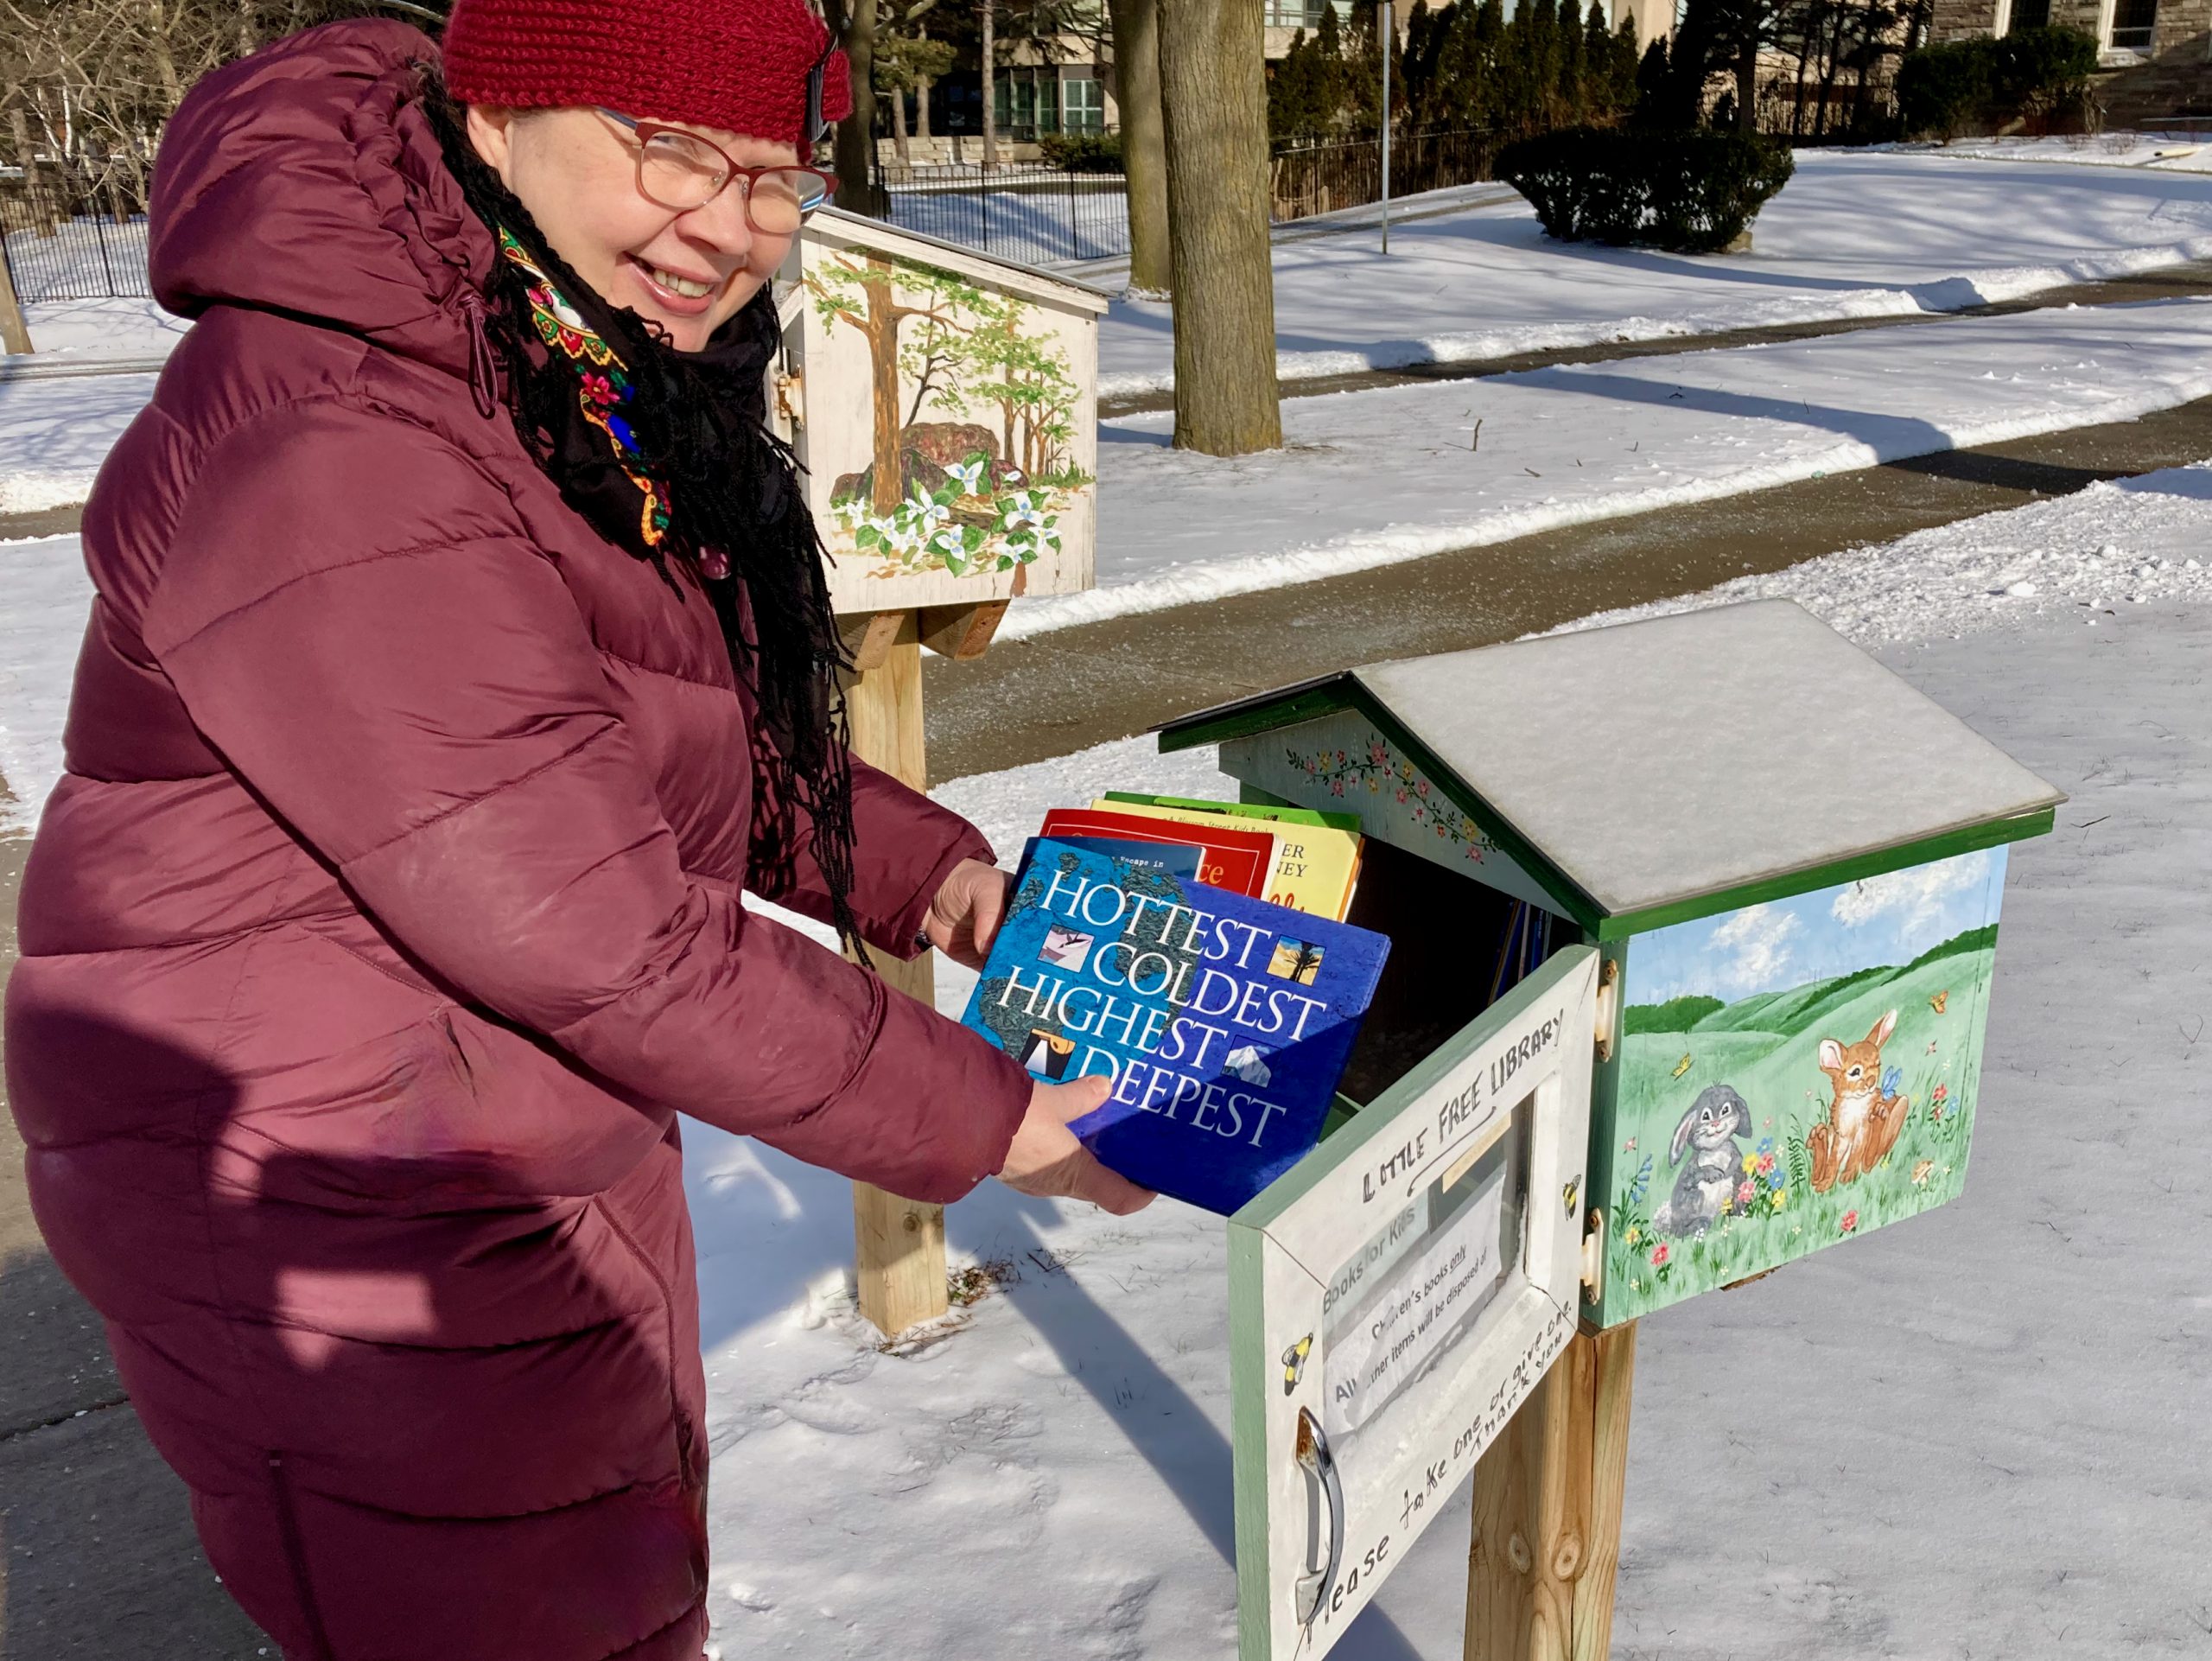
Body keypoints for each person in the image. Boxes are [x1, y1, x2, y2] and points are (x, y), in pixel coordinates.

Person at [1, 3, 1148, 1656]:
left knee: (591, 1577)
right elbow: (596, 921)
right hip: (343, 1189)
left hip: (482, 1122)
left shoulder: (550, 360)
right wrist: (990, 1116)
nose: (725, 229)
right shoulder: (346, 438)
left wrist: (927, 874)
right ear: (495, 114)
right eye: (668, 148)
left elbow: (625, 739)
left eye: (772, 178)